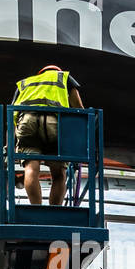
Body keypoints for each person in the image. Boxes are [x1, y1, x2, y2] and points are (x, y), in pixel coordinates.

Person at [11, 63, 83, 206]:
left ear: (40, 73)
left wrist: (10, 145)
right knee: (59, 174)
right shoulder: (64, 77)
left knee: (31, 168)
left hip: (27, 122)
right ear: (57, 71)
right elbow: (79, 109)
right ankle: (54, 210)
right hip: (54, 122)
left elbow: (12, 115)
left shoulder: (25, 83)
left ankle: (36, 207)